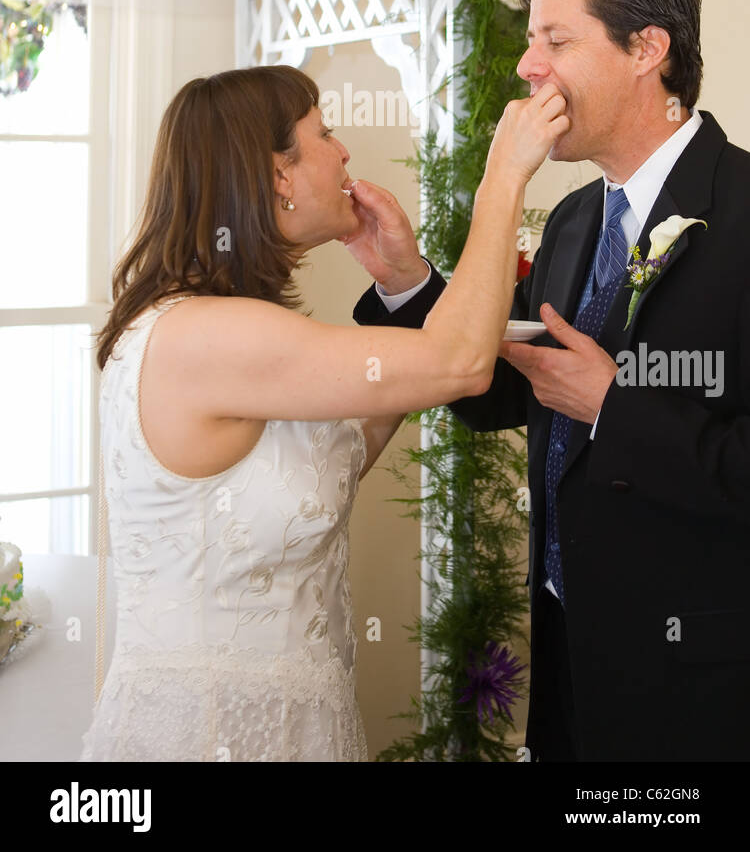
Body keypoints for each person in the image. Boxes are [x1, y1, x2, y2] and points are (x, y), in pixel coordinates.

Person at [79, 64, 568, 762]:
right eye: (324, 134)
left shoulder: (223, 326)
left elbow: (340, 452)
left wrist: (401, 280)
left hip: (301, 726)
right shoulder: (205, 335)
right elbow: (460, 363)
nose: (343, 153)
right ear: (278, 175)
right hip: (206, 734)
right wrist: (504, 179)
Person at [352, 0, 750, 762]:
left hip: (704, 685)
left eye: (555, 41)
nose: (529, 68)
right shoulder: (573, 222)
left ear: (648, 49)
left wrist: (614, 406)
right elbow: (502, 384)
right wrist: (406, 281)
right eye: (531, 41)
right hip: (570, 670)